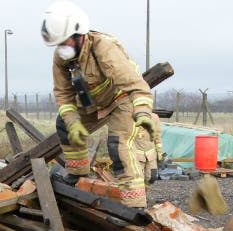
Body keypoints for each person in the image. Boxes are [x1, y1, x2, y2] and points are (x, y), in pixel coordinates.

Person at [40, 1, 160, 208]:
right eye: (58, 44)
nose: (62, 48)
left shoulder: (103, 47)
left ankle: (135, 205)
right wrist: (73, 121)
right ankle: (77, 171)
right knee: (64, 125)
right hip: (93, 103)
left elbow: (136, 85)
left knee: (118, 145)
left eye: (64, 42)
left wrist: (142, 112)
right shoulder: (62, 56)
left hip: (121, 99)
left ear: (79, 34)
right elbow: (63, 93)